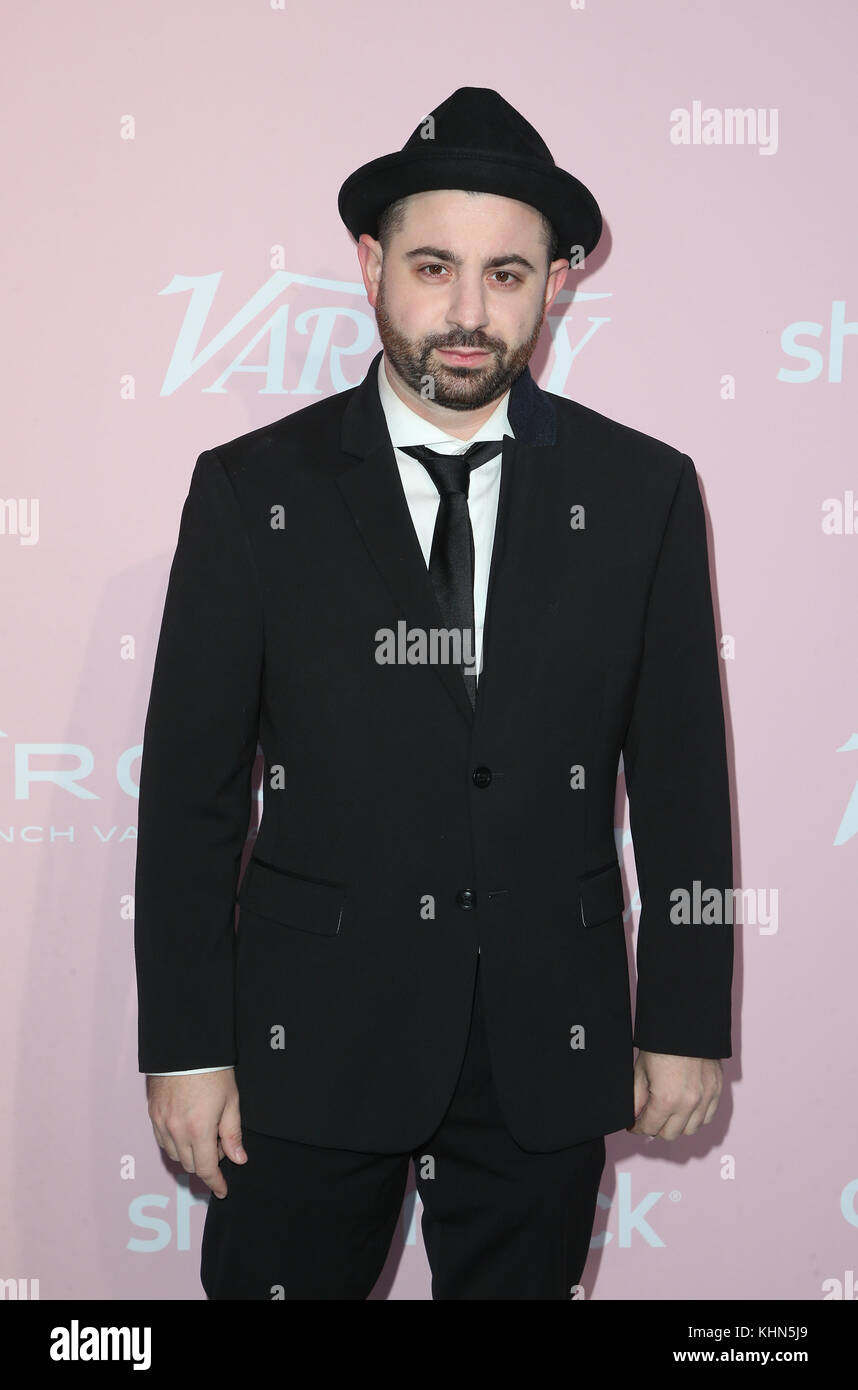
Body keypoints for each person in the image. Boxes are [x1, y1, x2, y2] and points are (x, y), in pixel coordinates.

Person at [134, 86, 733, 1301]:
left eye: (507, 273)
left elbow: (680, 778)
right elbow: (190, 797)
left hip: (545, 1043)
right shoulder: (253, 493)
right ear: (370, 265)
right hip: (307, 1040)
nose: (467, 314)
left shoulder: (642, 494)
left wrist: (683, 1016)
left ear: (557, 284)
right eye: (433, 266)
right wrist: (186, 1048)